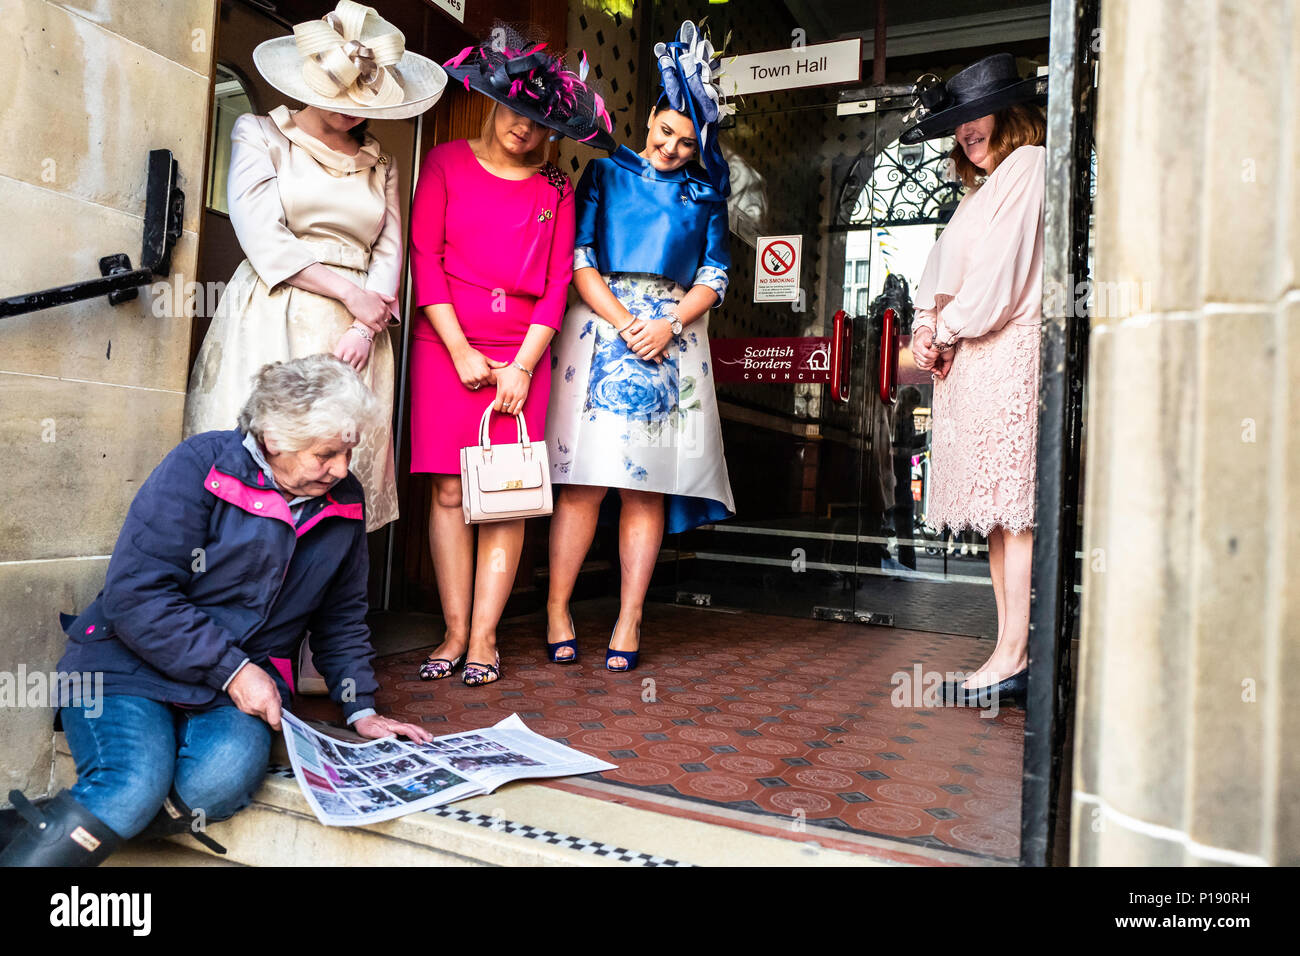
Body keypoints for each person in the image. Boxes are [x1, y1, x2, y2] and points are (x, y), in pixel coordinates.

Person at [0, 356, 433, 867]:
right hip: (127, 663)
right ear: (273, 437)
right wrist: (233, 671)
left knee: (218, 784)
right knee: (134, 783)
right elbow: (137, 596)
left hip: (239, 679)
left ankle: (39, 829)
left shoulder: (344, 499)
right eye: (326, 454)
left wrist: (359, 707)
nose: (341, 468)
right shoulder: (200, 465)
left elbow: (342, 614)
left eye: (348, 451)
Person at [183, 0, 447, 532]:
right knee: (269, 454)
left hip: (358, 330)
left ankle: (323, 601)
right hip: (277, 306)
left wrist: (363, 328)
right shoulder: (260, 133)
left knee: (336, 464)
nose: (352, 110)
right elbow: (262, 233)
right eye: (339, 94)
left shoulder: (383, 161)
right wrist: (354, 299)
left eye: (362, 99)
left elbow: (390, 250)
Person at [408, 27, 613, 687]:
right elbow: (425, 261)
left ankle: (486, 639)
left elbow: (558, 285)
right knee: (446, 491)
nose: (522, 127)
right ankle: (453, 630)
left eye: (538, 119)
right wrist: (459, 347)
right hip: (447, 344)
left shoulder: (557, 188)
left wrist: (523, 364)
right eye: (514, 111)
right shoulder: (442, 162)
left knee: (505, 496)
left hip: (524, 349)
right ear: (491, 101)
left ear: (554, 128)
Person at [544, 20, 735, 671]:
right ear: (648, 118)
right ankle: (557, 608)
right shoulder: (602, 174)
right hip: (601, 329)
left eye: (687, 141)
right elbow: (580, 258)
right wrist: (628, 321)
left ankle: (629, 618)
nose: (673, 148)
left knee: (644, 490)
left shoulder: (707, 195)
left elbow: (715, 276)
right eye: (665, 132)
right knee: (582, 487)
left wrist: (669, 325)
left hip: (671, 338)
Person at [901, 54, 1048, 706]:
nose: (964, 133)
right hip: (974, 364)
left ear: (1011, 112)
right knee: (1000, 516)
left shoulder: (1030, 165)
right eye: (956, 125)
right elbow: (941, 289)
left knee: (1014, 515)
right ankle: (1008, 650)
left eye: (974, 117)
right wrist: (927, 334)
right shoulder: (984, 190)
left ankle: (1016, 655)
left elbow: (996, 286)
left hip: (1004, 356)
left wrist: (946, 329)